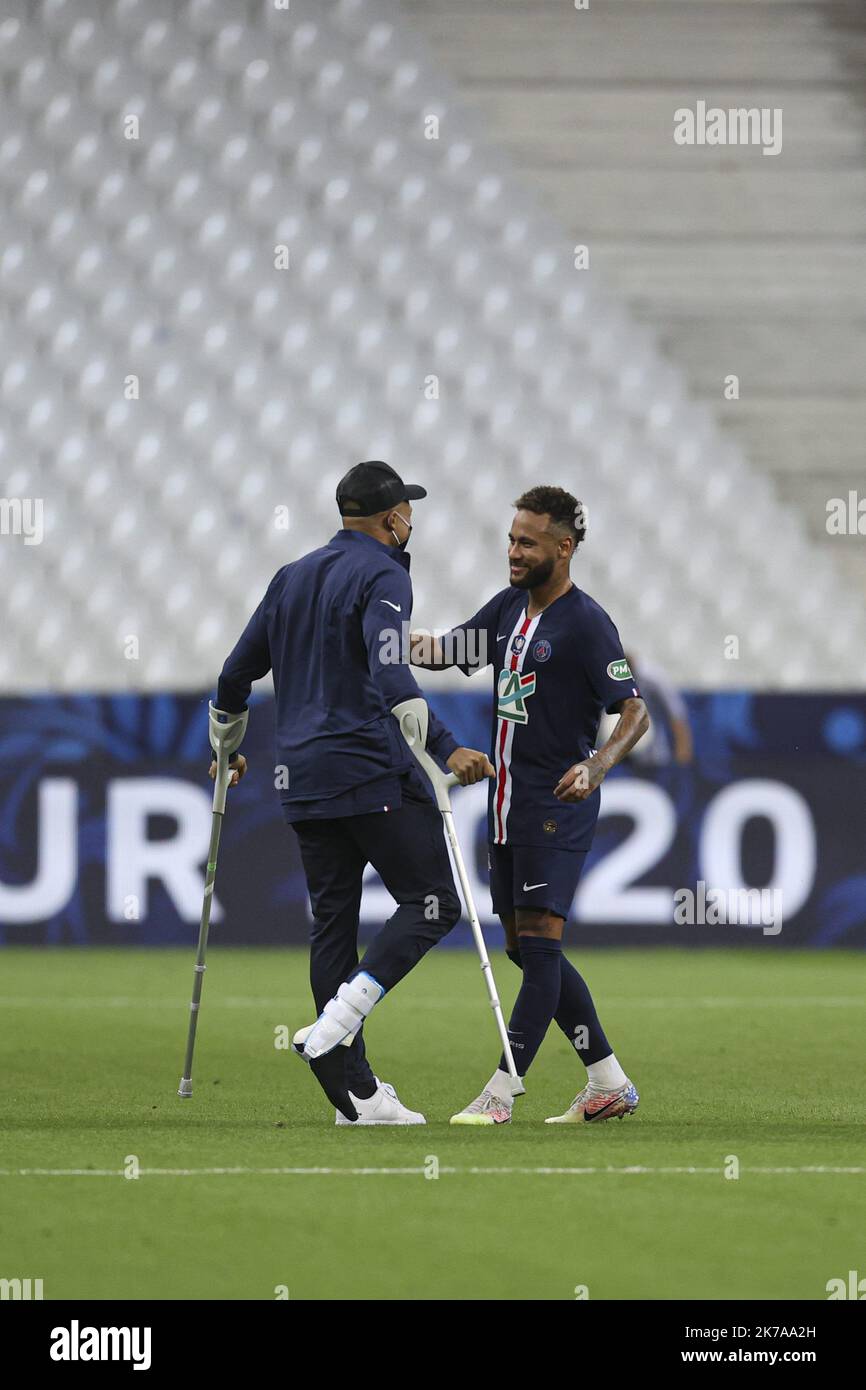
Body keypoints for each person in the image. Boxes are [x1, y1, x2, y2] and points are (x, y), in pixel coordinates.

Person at [210, 460, 493, 1125]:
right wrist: (447, 746)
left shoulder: (291, 577)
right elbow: (389, 666)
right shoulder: (384, 573)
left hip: (303, 778)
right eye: (407, 513)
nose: (411, 522)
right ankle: (341, 1021)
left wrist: (227, 750)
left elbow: (233, 677)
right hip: (370, 768)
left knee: (331, 924)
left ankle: (354, 1098)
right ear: (391, 518)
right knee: (431, 903)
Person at [412, 485, 649, 1124]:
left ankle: (501, 1091)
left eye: (527, 542)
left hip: (556, 806)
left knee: (540, 947)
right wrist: (383, 636)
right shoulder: (510, 608)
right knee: (522, 950)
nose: (512, 551)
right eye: (512, 538)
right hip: (507, 808)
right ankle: (607, 1081)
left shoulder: (587, 623)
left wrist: (597, 766)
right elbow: (447, 650)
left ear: (563, 548)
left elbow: (635, 710)